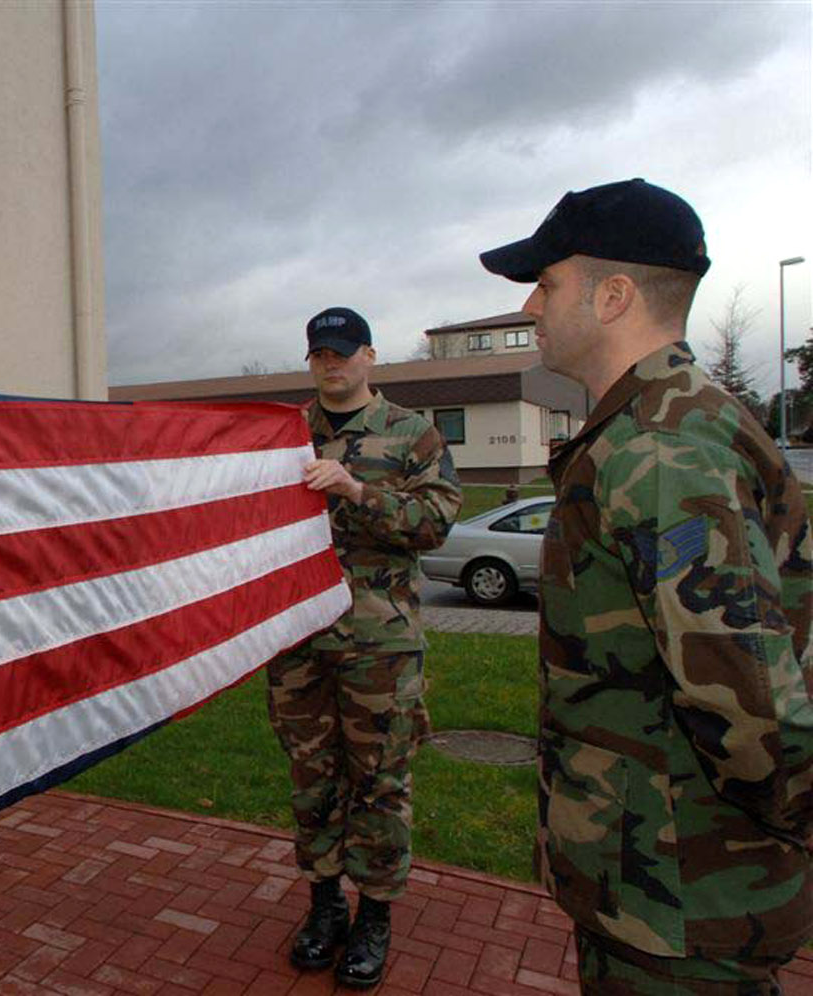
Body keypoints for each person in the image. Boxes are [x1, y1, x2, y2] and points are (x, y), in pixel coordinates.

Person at [480, 178, 813, 994]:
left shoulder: (661, 449)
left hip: (681, 892)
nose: (530, 305)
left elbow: (748, 701)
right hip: (658, 880)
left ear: (615, 295)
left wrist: (787, 829)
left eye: (547, 282)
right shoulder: (656, 426)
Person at [268, 306, 462, 986]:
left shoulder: (412, 433)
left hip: (379, 643)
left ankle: (375, 915)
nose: (332, 363)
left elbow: (435, 522)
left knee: (380, 782)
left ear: (371, 356)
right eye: (320, 352)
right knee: (312, 779)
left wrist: (355, 489)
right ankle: (325, 906)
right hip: (299, 641)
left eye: (344, 351)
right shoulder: (282, 434)